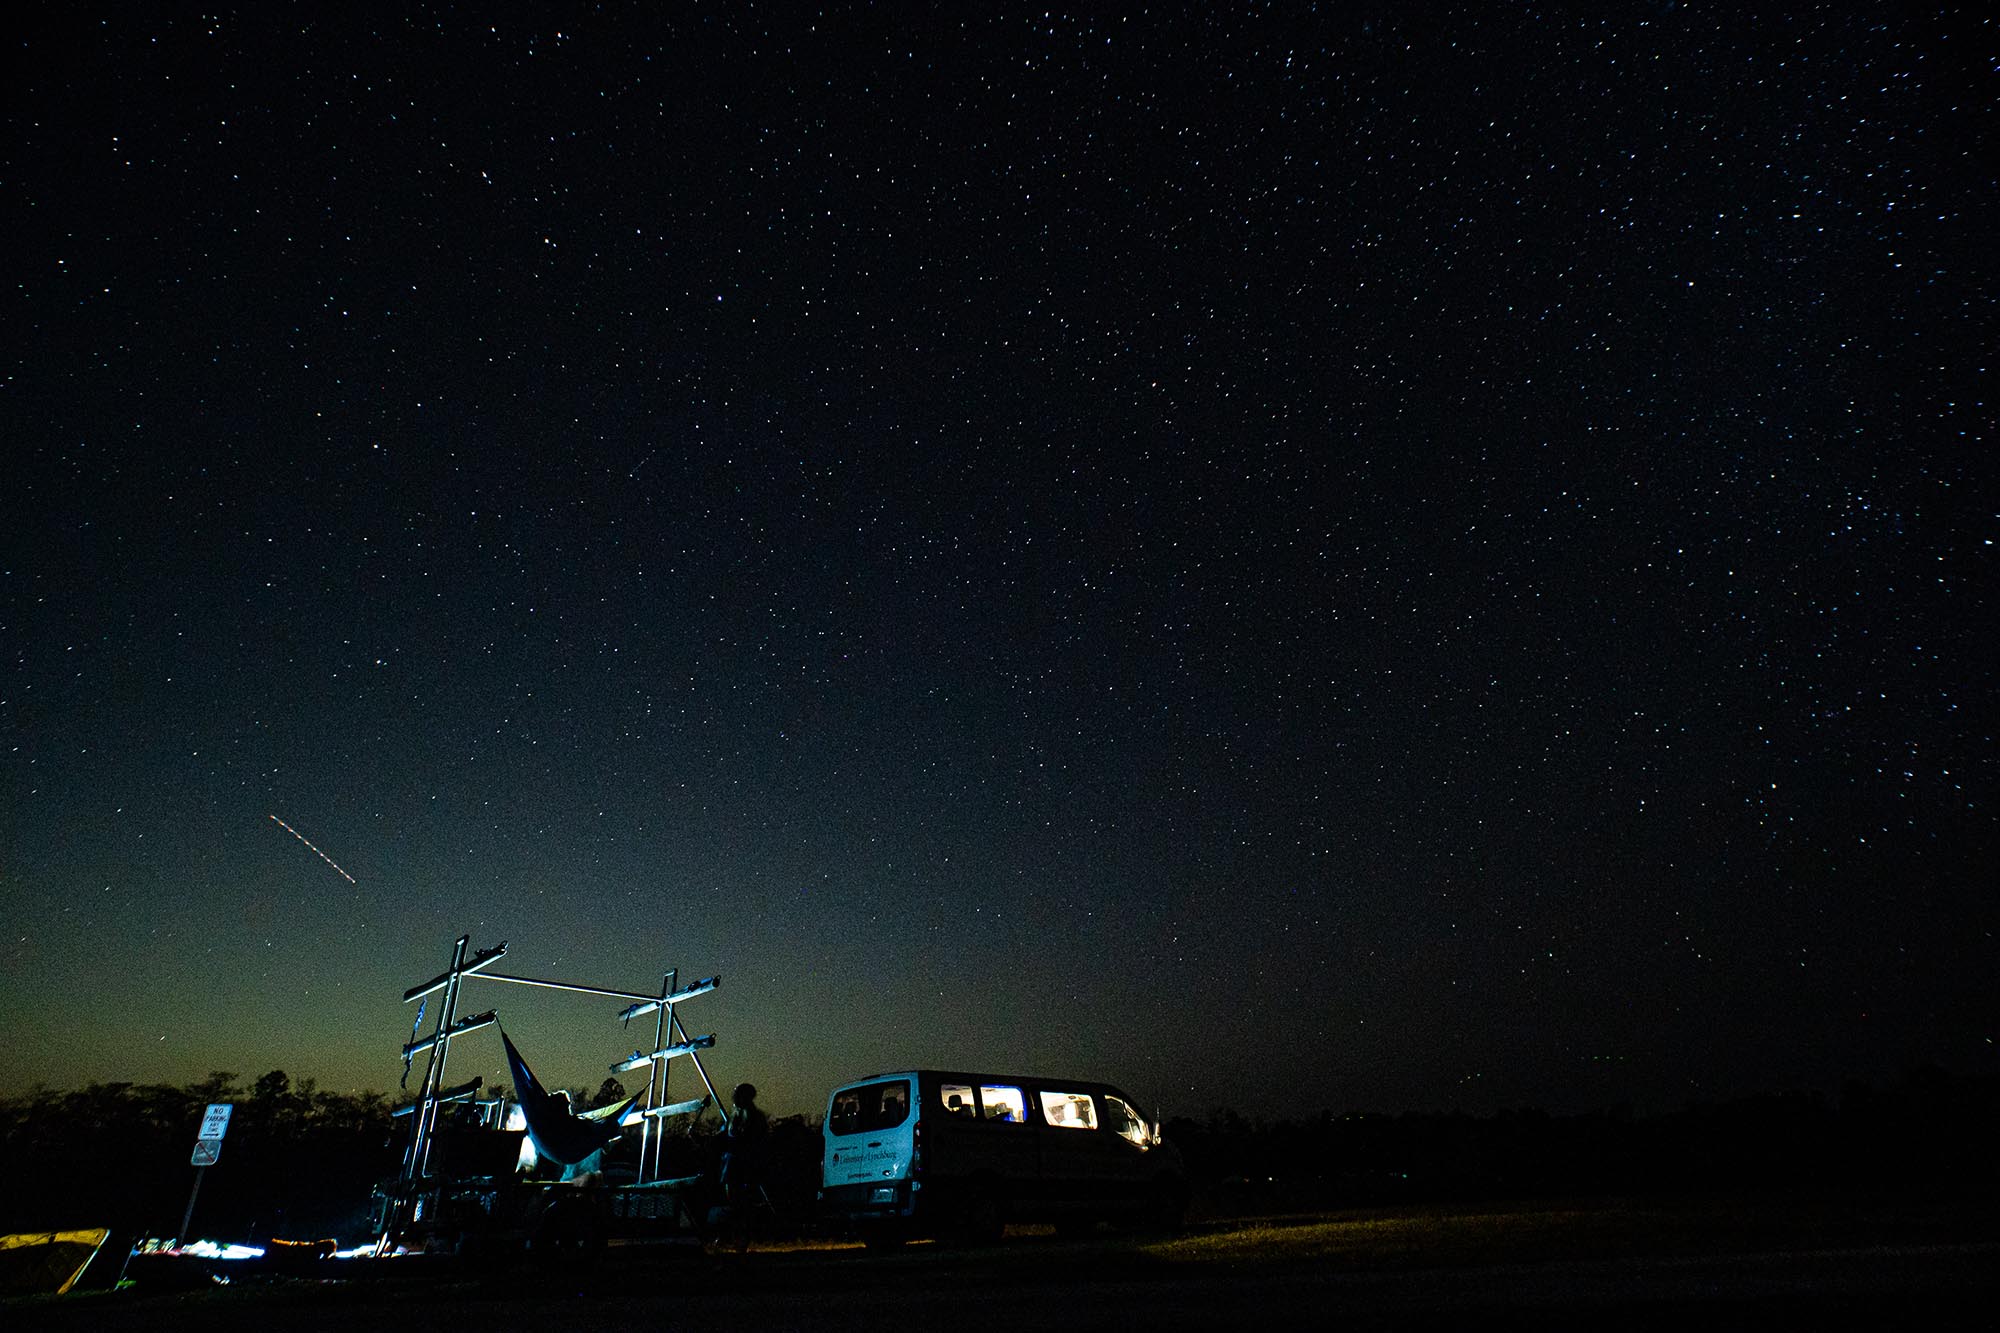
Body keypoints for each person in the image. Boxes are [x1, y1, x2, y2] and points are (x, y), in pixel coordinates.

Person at [719, 1082, 769, 1253]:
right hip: (731, 1167)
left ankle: (742, 1240)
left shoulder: (755, 1118)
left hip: (745, 1167)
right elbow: (724, 1137)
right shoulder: (734, 1117)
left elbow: (752, 1142)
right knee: (733, 1204)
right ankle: (735, 1238)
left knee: (743, 1206)